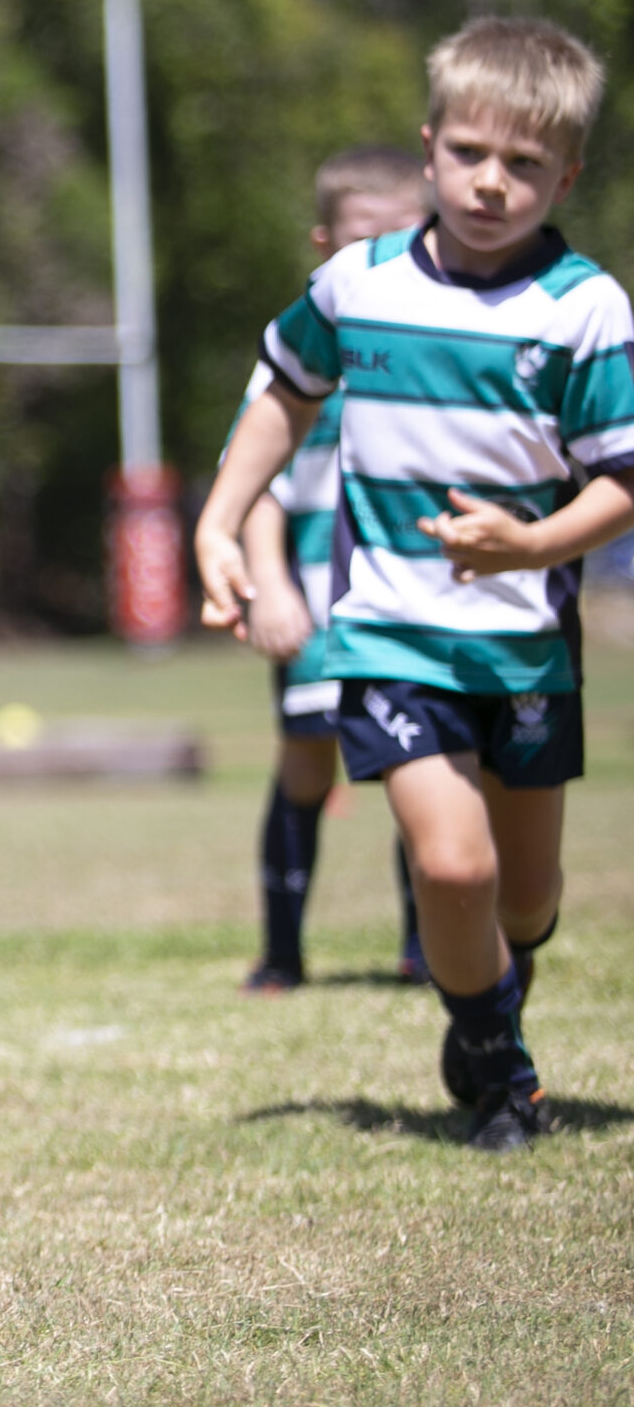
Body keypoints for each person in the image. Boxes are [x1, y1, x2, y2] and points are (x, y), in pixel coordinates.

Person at [198, 19, 634, 1152]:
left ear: (566, 175)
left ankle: (487, 993)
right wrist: (220, 520)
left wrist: (532, 548)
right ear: (430, 146)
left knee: (524, 901)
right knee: (452, 862)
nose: (493, 184)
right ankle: (498, 1072)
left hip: (525, 648)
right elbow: (283, 397)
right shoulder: (357, 284)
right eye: (471, 155)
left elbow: (621, 482)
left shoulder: (583, 309)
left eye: (526, 165)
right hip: (389, 635)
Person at [234, 148, 431, 994]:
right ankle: (282, 950)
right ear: (325, 244)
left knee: (427, 767)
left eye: (405, 232)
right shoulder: (305, 353)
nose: (385, 253)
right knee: (308, 766)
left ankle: (426, 945)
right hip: (317, 606)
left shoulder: (441, 346)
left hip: (418, 601)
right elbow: (259, 486)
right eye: (364, 237)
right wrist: (269, 585)